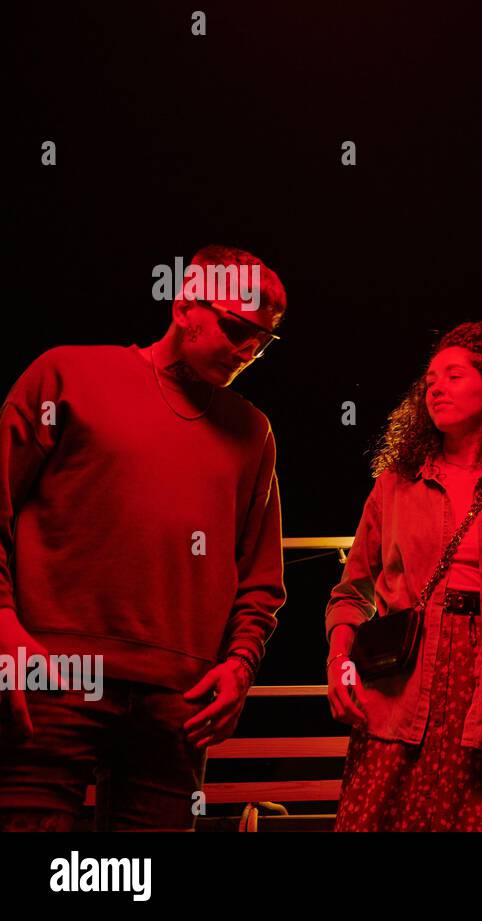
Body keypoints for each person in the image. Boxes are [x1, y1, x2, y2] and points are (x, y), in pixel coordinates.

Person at [0, 244, 287, 831]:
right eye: (235, 327)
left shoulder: (251, 431)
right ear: (184, 305)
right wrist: (2, 623)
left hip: (178, 701)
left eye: (261, 341)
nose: (245, 350)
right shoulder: (68, 374)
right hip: (51, 674)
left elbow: (260, 576)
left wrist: (239, 664)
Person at [325, 321, 482, 831]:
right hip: (399, 691)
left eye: (454, 376)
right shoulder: (396, 485)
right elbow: (351, 591)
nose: (434, 387)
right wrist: (339, 659)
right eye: (431, 378)